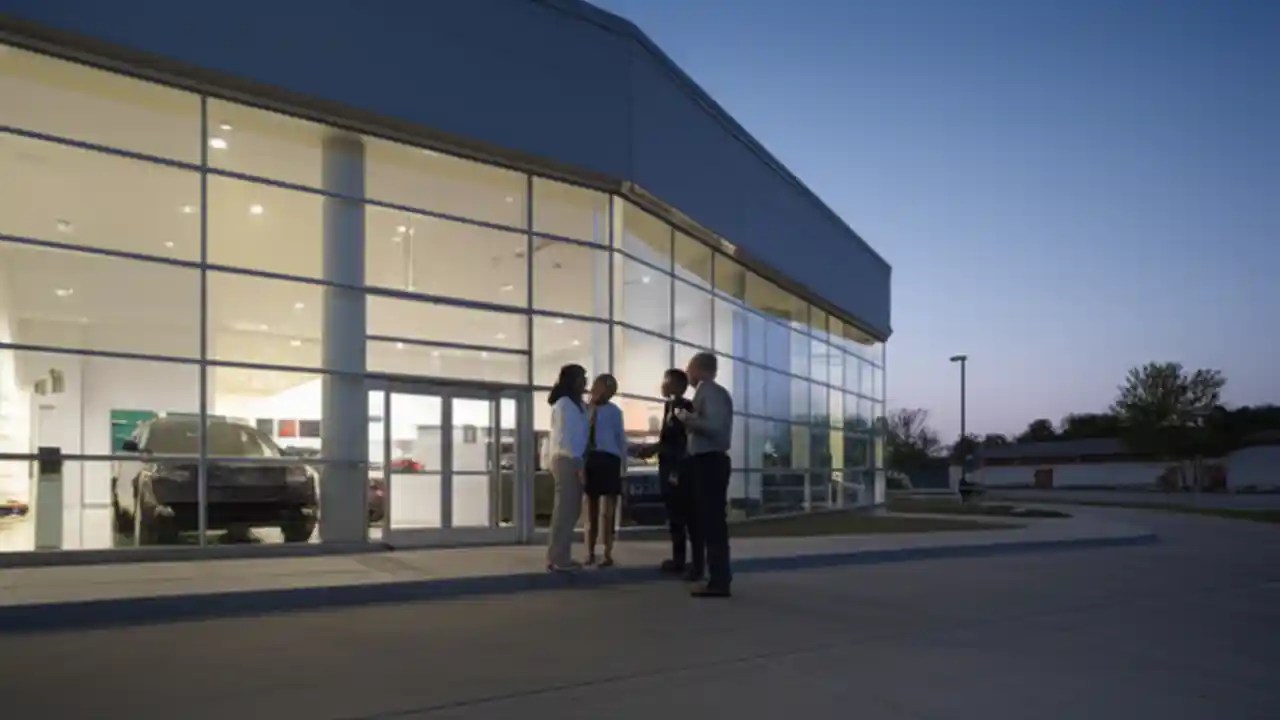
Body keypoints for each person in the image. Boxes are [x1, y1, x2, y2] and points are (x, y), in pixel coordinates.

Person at [674, 352, 735, 598]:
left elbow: (715, 427)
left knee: (712, 522)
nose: (687, 374)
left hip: (710, 461)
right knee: (708, 521)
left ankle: (718, 580)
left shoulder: (710, 392)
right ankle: (715, 576)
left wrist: (686, 419)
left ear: (698, 368)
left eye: (689, 369)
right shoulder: (707, 392)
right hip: (704, 461)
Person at [636, 369, 696, 577]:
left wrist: (657, 450)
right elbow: (668, 439)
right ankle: (678, 559)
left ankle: (690, 562)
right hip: (668, 466)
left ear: (679, 386)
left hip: (677, 468)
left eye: (667, 382)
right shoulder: (669, 405)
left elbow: (681, 440)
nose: (663, 385)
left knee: (682, 514)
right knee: (674, 515)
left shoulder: (685, 407)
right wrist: (654, 449)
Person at [545, 363, 589, 572]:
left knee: (571, 510)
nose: (585, 381)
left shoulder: (577, 404)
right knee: (565, 510)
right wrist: (578, 464)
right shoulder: (564, 404)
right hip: (567, 458)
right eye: (581, 377)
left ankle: (559, 555)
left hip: (572, 458)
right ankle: (558, 558)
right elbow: (566, 437)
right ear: (571, 380)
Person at [583, 373, 627, 567]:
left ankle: (607, 552)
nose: (604, 392)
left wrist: (622, 469)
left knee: (608, 512)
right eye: (602, 387)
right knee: (590, 510)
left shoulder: (615, 412)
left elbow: (620, 440)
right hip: (590, 458)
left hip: (609, 459)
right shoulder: (584, 410)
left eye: (610, 390)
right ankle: (589, 551)